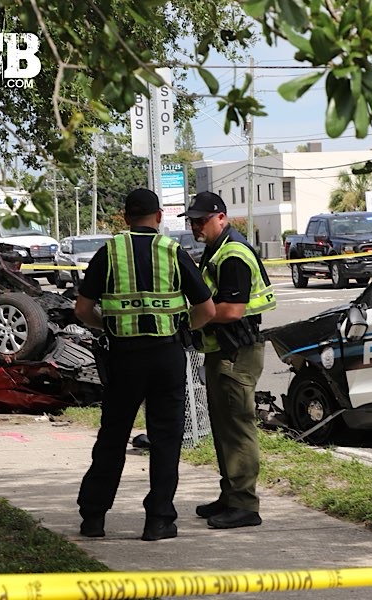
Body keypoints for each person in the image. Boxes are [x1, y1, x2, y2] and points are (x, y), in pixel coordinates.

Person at [74, 188, 215, 542]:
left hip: (124, 356)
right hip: (166, 355)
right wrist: (184, 327)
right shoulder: (172, 252)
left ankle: (93, 518)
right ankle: (158, 521)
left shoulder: (109, 252)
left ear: (125, 218)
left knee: (112, 436)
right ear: (159, 217)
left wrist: (107, 324)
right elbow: (207, 310)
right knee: (166, 439)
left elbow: (81, 310)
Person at [178, 191, 276, 529]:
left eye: (201, 220)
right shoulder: (215, 250)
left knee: (237, 429)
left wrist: (190, 318)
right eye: (192, 220)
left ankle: (246, 505)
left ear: (222, 217)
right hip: (223, 351)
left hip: (238, 352)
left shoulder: (232, 254)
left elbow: (232, 310)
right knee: (223, 429)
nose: (195, 226)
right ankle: (231, 495)